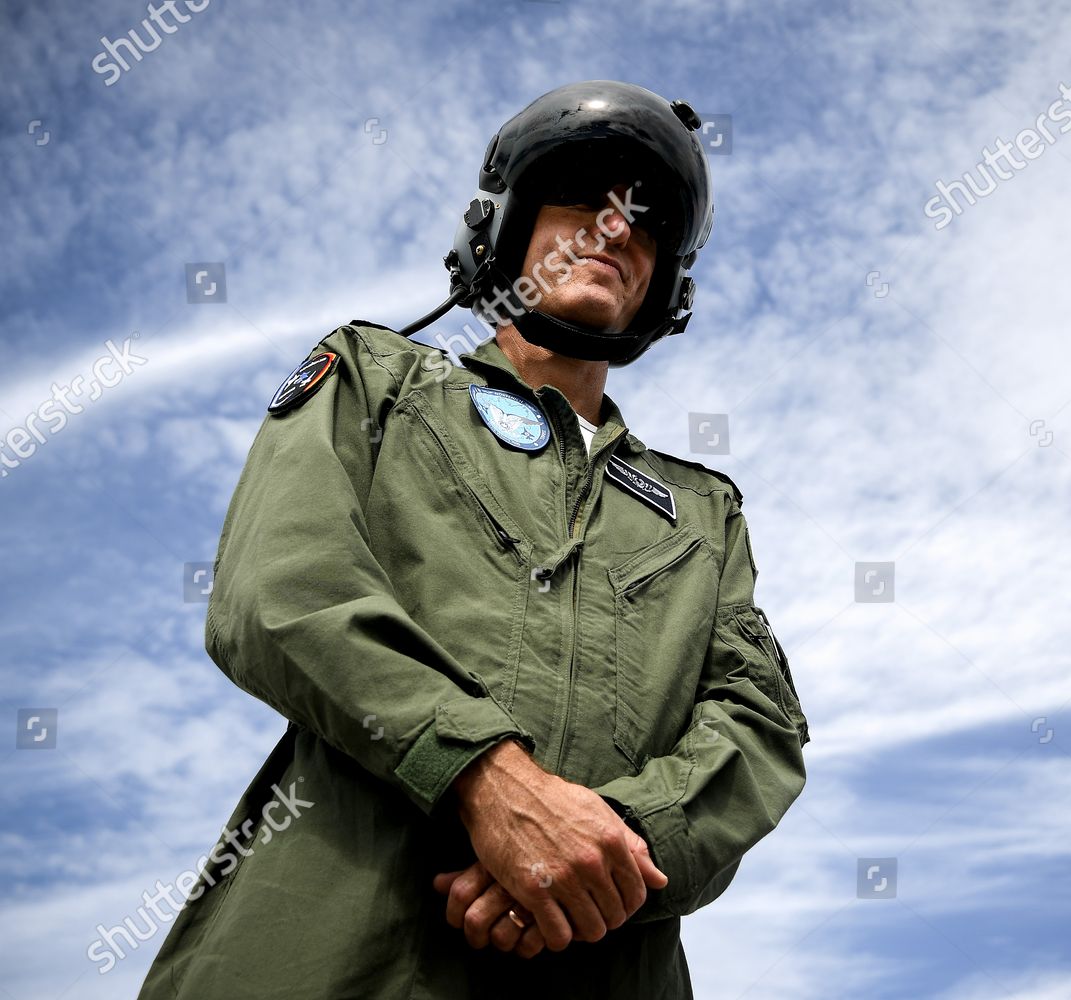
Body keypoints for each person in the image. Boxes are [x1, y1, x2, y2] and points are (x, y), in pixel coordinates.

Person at [137, 80, 810, 999]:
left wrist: (610, 847)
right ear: (506, 224)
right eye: (585, 196)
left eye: (645, 224)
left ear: (667, 284)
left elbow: (759, 727)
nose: (616, 230)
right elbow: (283, 589)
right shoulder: (378, 383)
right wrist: (487, 779)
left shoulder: (702, 514)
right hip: (335, 960)